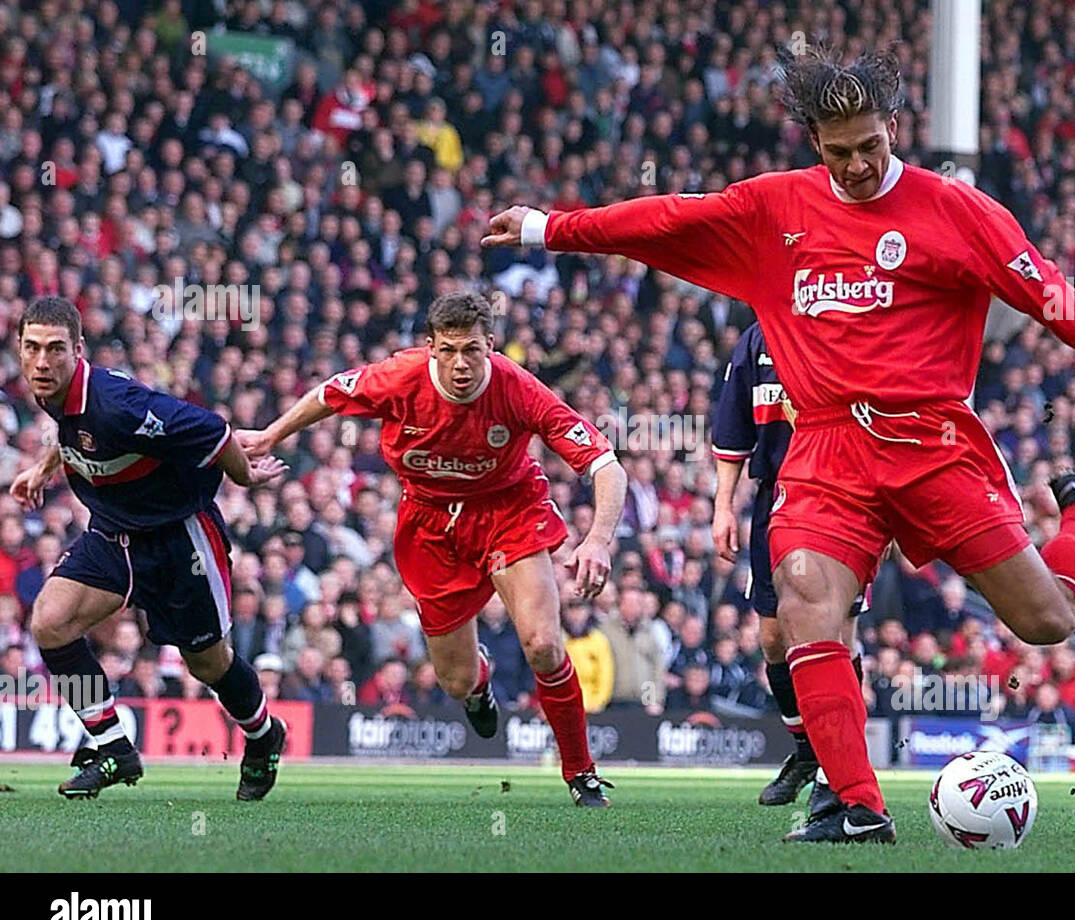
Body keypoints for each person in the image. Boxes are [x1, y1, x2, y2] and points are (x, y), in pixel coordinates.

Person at [483, 48, 1075, 842]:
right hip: (826, 447)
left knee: (1046, 620)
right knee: (804, 598)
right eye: (840, 152)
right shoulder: (773, 210)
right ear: (814, 145)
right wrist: (549, 228)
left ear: (894, 128)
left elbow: (1047, 293)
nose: (860, 164)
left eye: (872, 145)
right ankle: (859, 807)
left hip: (934, 444)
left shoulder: (956, 209)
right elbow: (667, 219)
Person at [237, 292, 629, 806]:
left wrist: (598, 539)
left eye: (471, 349)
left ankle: (581, 773)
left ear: (491, 345)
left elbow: (606, 464)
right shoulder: (400, 377)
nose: (460, 363)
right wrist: (270, 435)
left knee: (543, 645)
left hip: (508, 511)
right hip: (429, 526)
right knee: (455, 679)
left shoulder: (519, 389)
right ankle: (480, 682)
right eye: (448, 350)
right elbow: (331, 394)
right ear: (431, 348)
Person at [9, 296, 289, 800]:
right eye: (31, 348)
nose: (42, 361)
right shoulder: (52, 388)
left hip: (180, 536)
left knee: (207, 664)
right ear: (20, 348)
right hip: (115, 533)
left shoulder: (119, 406)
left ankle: (264, 734)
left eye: (54, 349)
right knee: (50, 623)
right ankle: (114, 748)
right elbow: (75, 435)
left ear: (78, 349)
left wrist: (245, 476)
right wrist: (44, 468)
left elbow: (215, 430)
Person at [712, 321, 862, 820]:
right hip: (775, 499)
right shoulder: (756, 340)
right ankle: (807, 751)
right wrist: (722, 507)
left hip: (844, 497)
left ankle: (836, 774)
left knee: (835, 637)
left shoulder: (851, 325)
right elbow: (733, 431)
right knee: (774, 639)